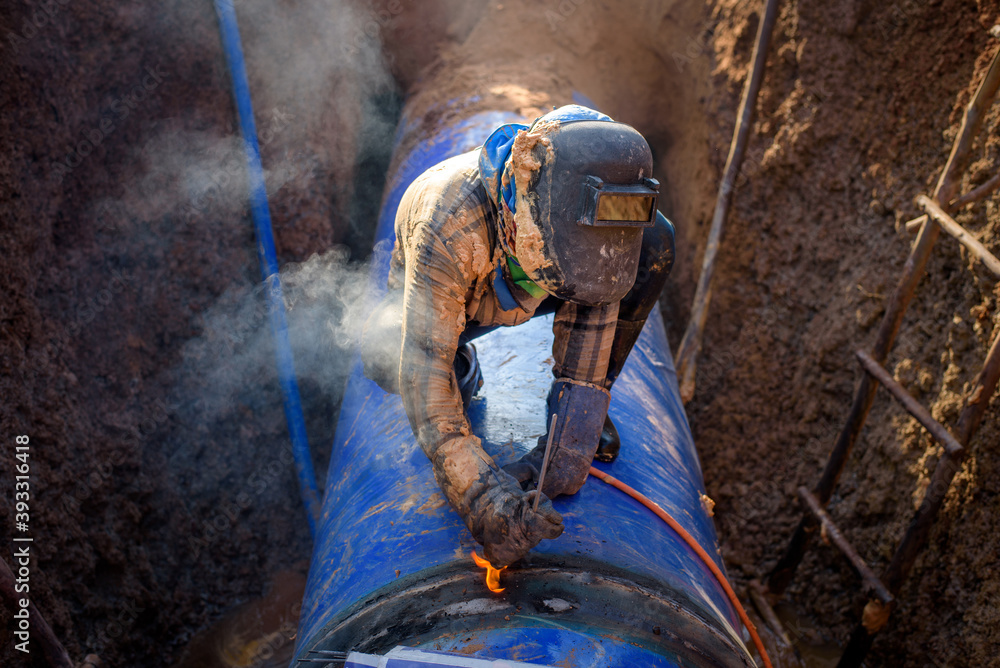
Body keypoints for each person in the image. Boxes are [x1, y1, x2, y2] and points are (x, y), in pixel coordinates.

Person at [362, 105, 675, 568]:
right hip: (461, 296)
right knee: (388, 356)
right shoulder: (449, 224)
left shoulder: (609, 235)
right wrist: (484, 499)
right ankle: (461, 367)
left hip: (547, 276)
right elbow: (425, 381)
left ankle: (591, 406)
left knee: (655, 248)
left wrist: (564, 449)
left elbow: (594, 311)